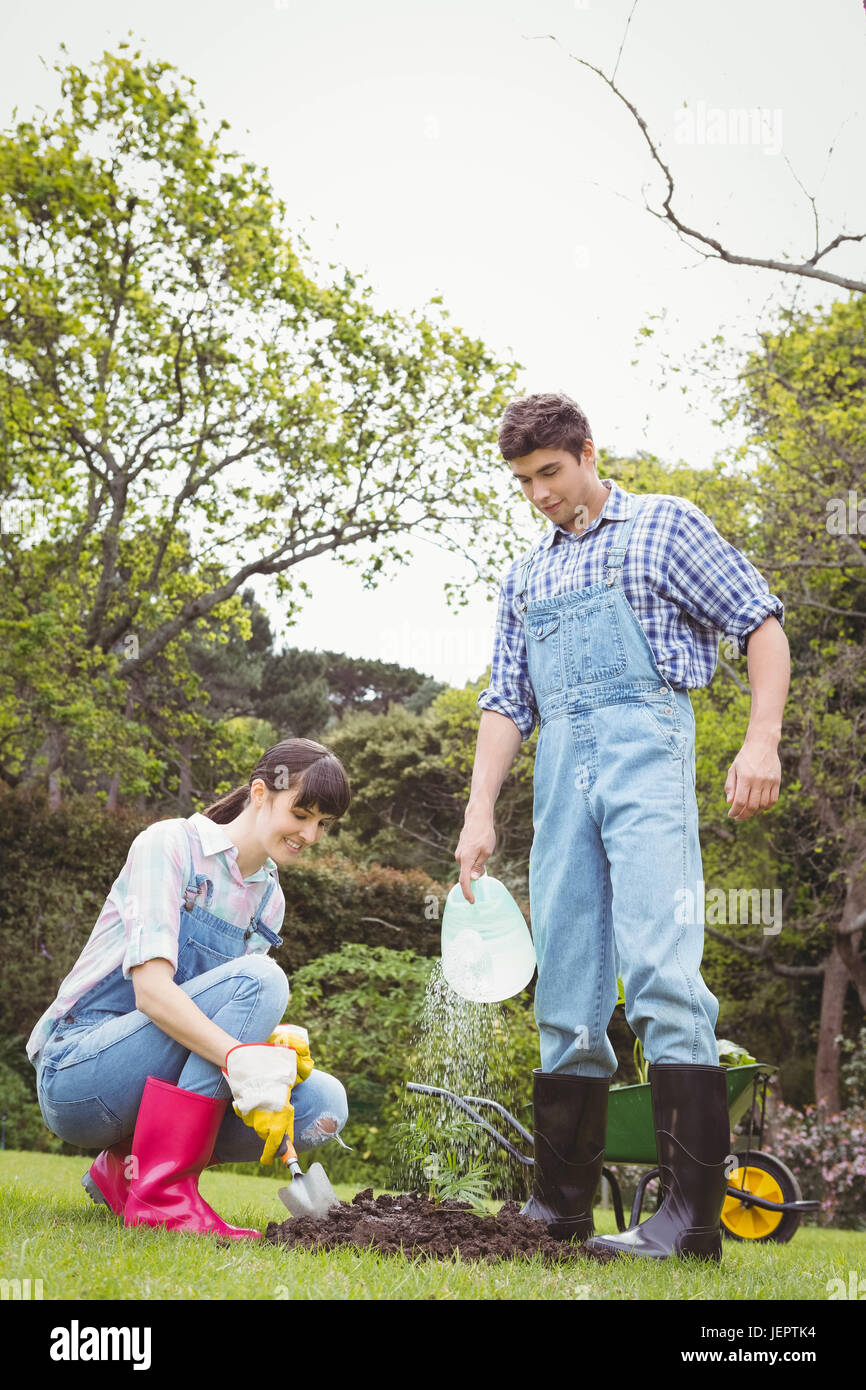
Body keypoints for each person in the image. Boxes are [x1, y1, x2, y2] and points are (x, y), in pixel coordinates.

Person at [455, 392, 790, 1262]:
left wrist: (762, 740)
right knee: (566, 992)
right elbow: (505, 700)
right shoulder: (526, 577)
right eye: (524, 481)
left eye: (551, 473)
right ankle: (560, 1208)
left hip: (648, 760)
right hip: (562, 779)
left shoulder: (663, 528)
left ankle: (688, 1223)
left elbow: (760, 619)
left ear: (588, 453)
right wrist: (480, 808)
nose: (539, 494)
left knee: (661, 978)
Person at [27, 738, 351, 1240]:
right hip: (80, 1071)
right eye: (302, 813)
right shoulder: (170, 845)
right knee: (263, 980)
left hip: (153, 1084)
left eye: (323, 824)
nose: (310, 834)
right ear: (260, 793)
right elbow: (152, 993)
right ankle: (164, 1193)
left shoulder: (269, 900)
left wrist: (267, 1056)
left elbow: (227, 1017)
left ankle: (127, 1169)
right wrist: (242, 1058)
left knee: (323, 1105)